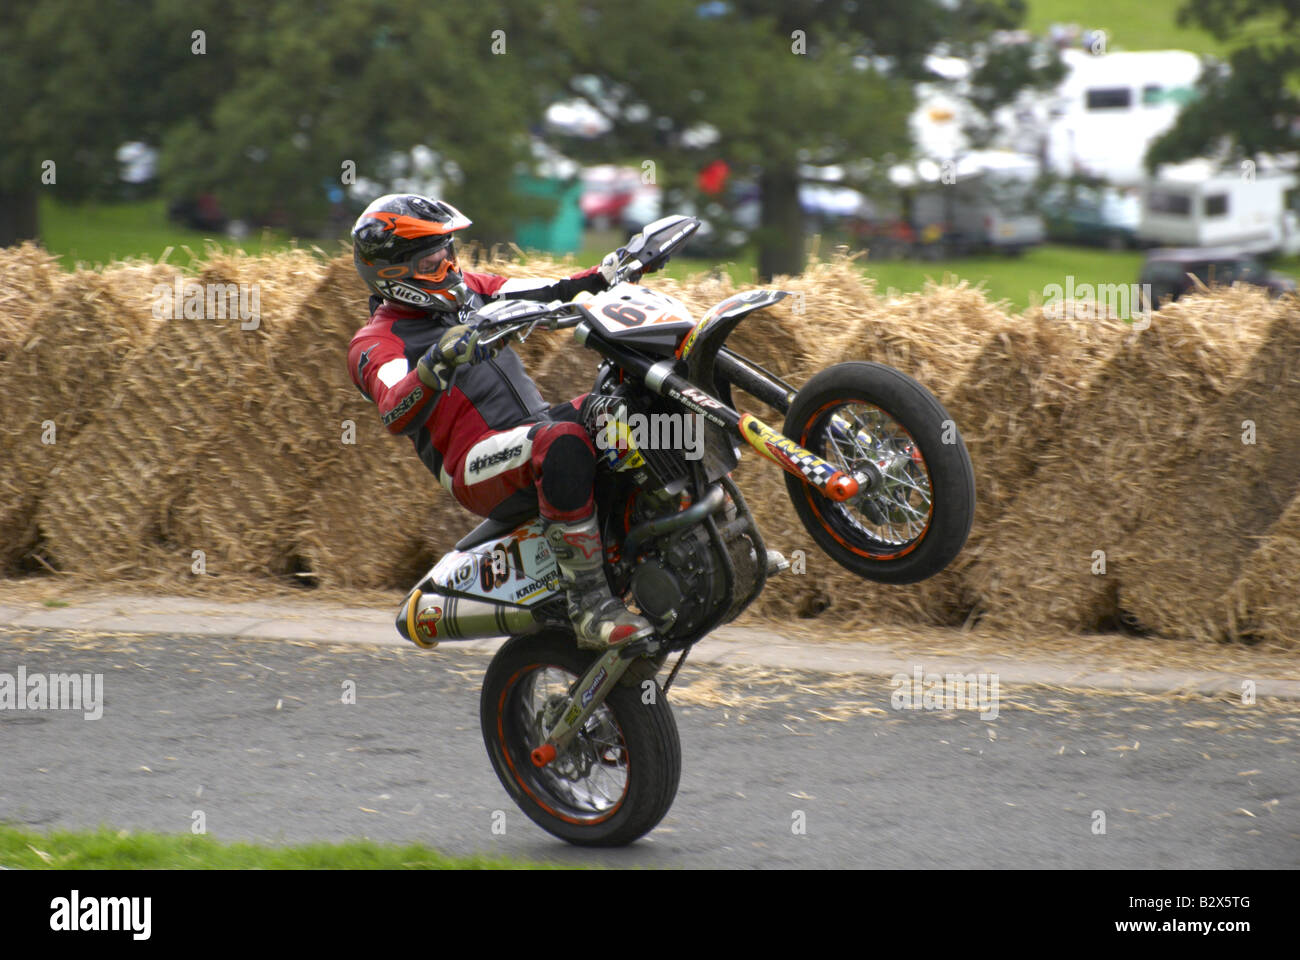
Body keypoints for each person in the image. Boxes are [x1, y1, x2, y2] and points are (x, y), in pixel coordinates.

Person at [348, 193, 663, 649]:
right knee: (561, 442)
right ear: (395, 274)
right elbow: (394, 406)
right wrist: (437, 361)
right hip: (473, 465)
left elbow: (553, 290)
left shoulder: (471, 290)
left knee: (623, 407)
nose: (450, 267)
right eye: (434, 260)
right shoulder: (375, 342)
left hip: (532, 427)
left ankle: (693, 535)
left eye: (449, 252)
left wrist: (616, 268)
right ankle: (589, 605)